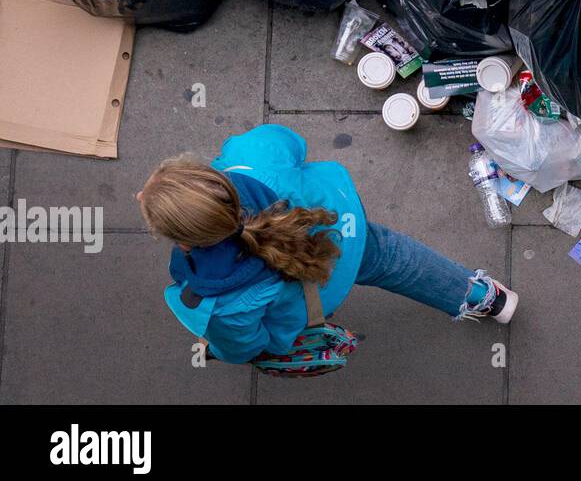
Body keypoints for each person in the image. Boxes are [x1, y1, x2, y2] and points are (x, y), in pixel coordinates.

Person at [138, 123, 517, 365]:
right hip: (344, 237)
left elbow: (244, 346)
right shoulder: (248, 159)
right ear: (215, 179)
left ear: (186, 243)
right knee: (399, 260)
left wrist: (222, 351)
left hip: (314, 302)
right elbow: (290, 142)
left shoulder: (215, 302)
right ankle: (485, 297)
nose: (140, 194)